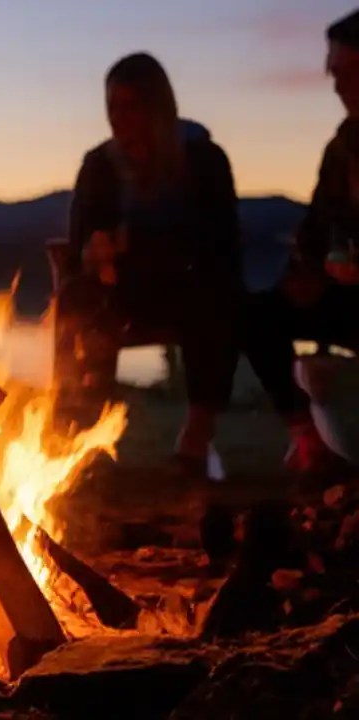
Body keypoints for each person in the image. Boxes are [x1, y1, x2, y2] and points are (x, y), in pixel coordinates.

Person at [56, 53, 338, 484]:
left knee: (223, 301)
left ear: (158, 107)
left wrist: (138, 244)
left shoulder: (203, 159)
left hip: (192, 285)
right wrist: (95, 251)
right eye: (113, 106)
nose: (120, 118)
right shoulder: (99, 166)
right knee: (79, 299)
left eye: (131, 106)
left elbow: (218, 238)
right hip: (124, 289)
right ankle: (78, 441)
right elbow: (81, 239)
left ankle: (198, 440)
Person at [283, 9, 359, 355]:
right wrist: (306, 269)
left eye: (353, 72)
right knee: (257, 314)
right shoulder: (341, 150)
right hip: (343, 293)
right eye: (336, 74)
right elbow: (316, 227)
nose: (340, 86)